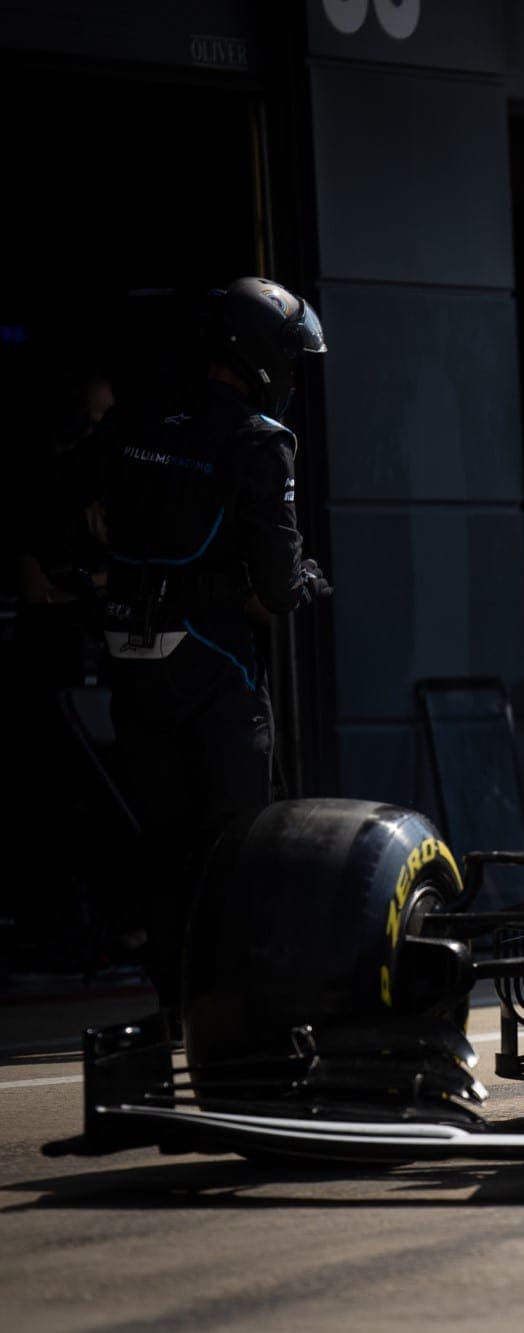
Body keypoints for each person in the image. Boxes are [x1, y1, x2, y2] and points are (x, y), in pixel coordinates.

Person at [40, 277, 331, 1010]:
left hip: (130, 659)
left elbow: (49, 514)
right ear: (262, 354)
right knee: (236, 846)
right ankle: (238, 1016)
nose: (293, 376)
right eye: (290, 360)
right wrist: (305, 578)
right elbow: (278, 586)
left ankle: (176, 1007)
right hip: (214, 660)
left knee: (161, 849)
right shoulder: (259, 442)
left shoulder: (132, 423)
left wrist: (93, 574)